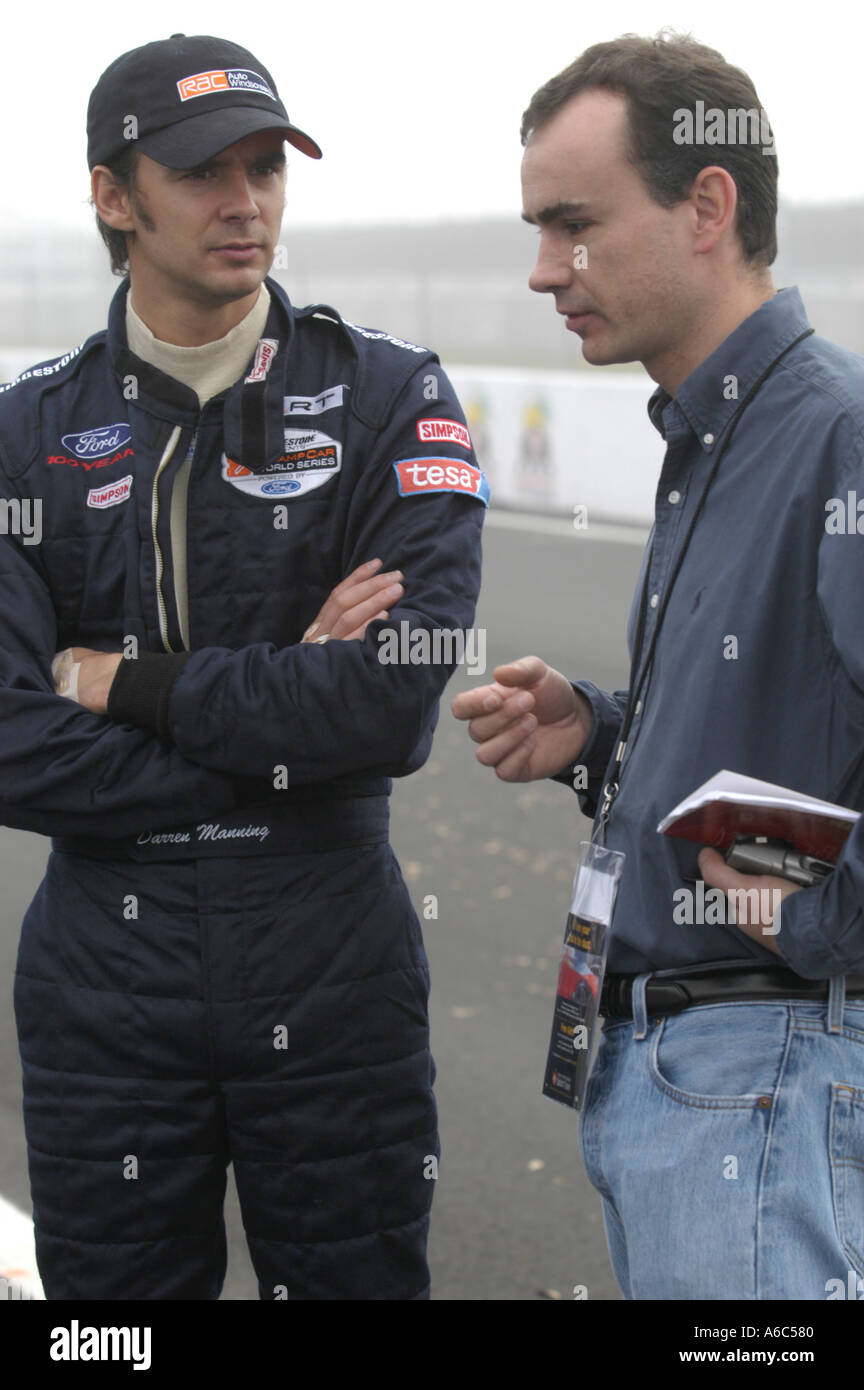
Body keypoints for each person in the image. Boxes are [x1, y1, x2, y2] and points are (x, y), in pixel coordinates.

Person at [0, 32, 486, 1300]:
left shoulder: (388, 394)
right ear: (114, 194)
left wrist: (132, 685)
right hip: (104, 975)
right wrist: (280, 741)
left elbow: (386, 701)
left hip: (330, 959)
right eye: (204, 169)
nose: (246, 200)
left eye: (267, 165)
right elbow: (7, 741)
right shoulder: (23, 436)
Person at [453, 31, 864, 1301]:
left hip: (763, 1067)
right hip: (701, 1072)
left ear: (709, 205)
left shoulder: (836, 434)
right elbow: (784, 721)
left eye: (573, 224)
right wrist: (602, 730)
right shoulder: (712, 435)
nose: (541, 271)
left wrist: (818, 909)